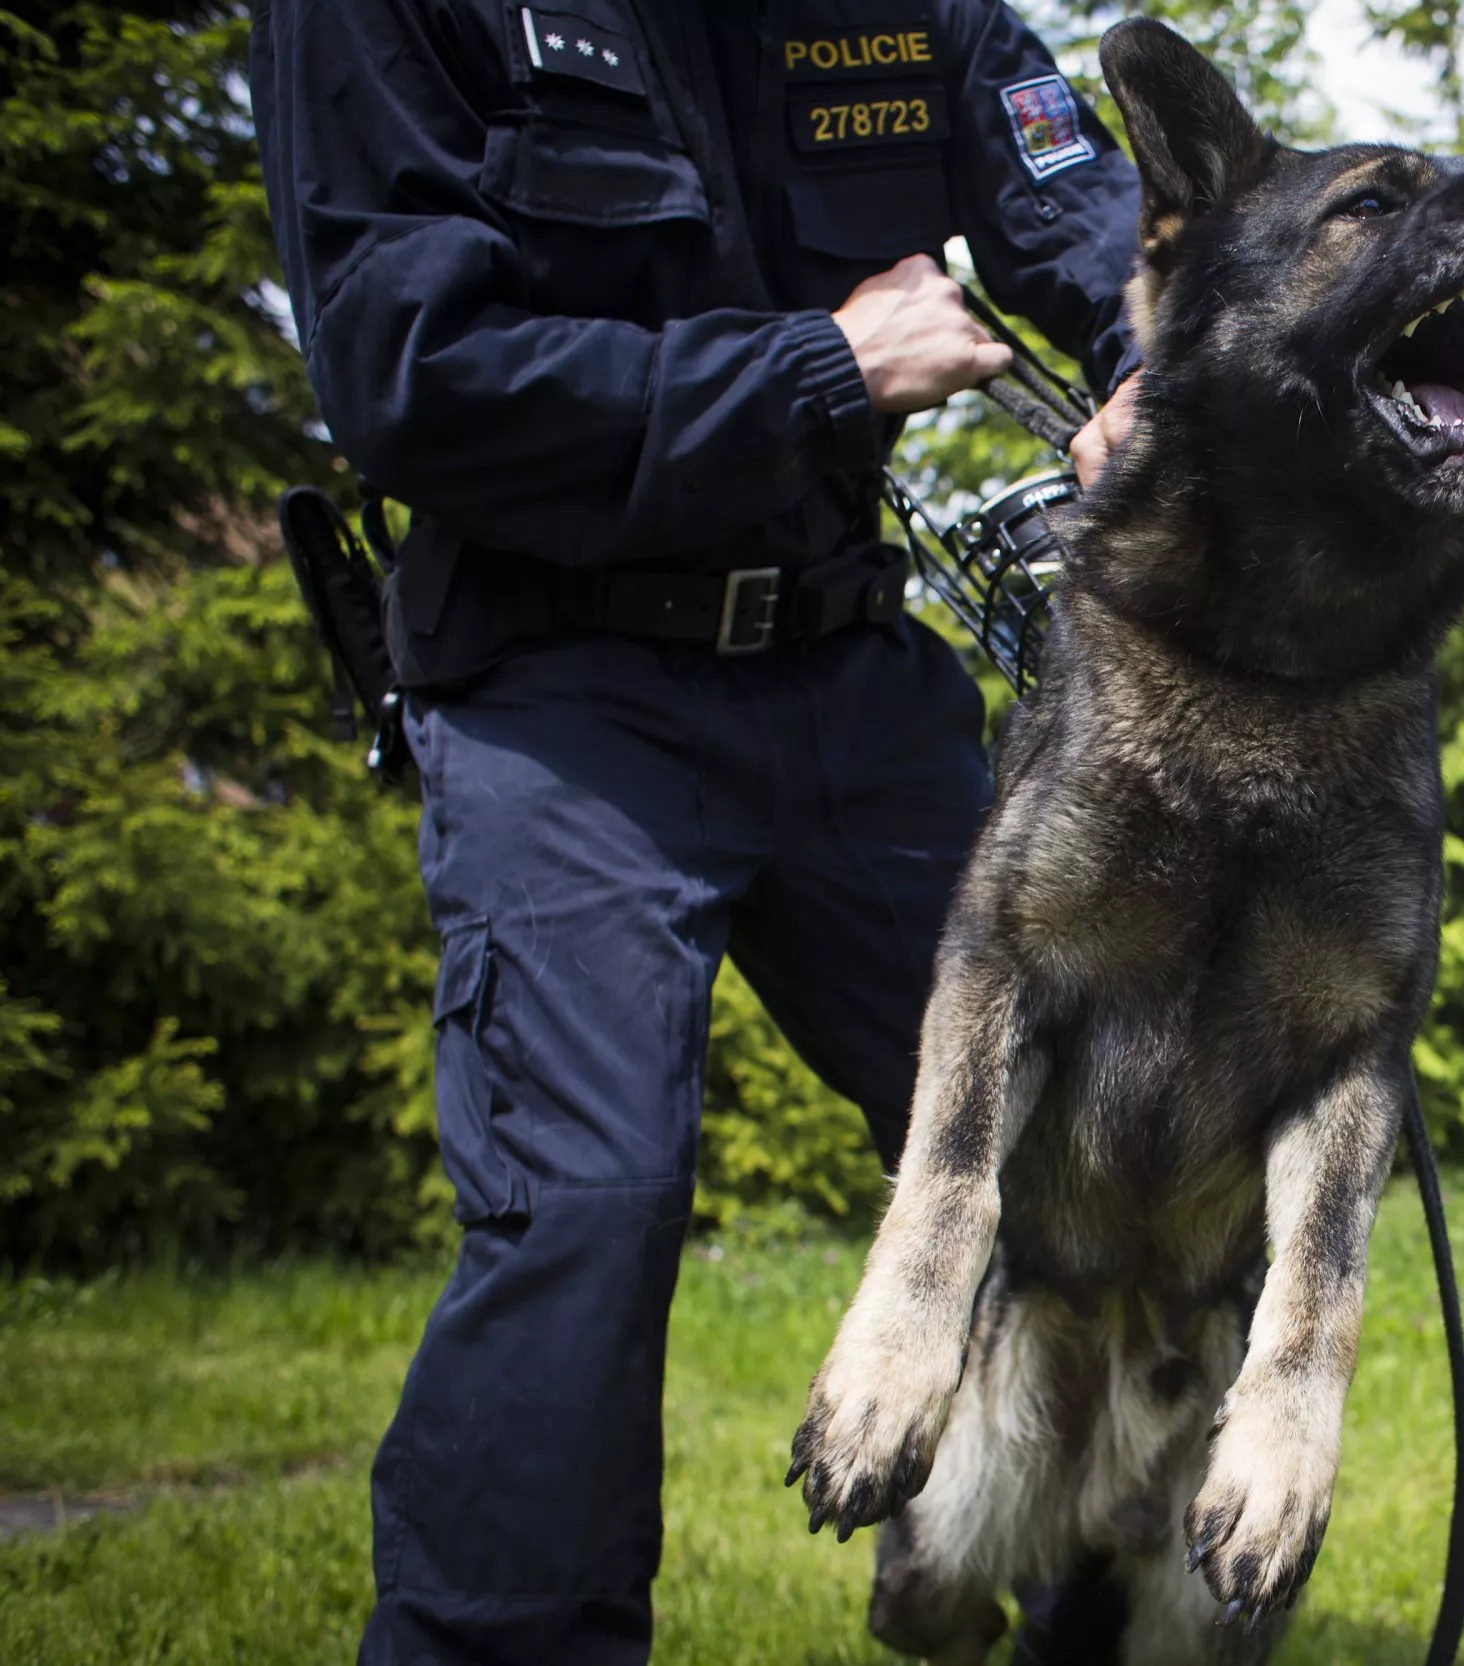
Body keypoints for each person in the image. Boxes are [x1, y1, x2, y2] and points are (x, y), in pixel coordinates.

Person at [248, 2, 1140, 1660]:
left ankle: (1087, 1614)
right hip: (555, 679)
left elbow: (1074, 195)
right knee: (586, 1197)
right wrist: (826, 365)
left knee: (1087, 1135)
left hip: (845, 664)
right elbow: (402, 368)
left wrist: (1144, 366)